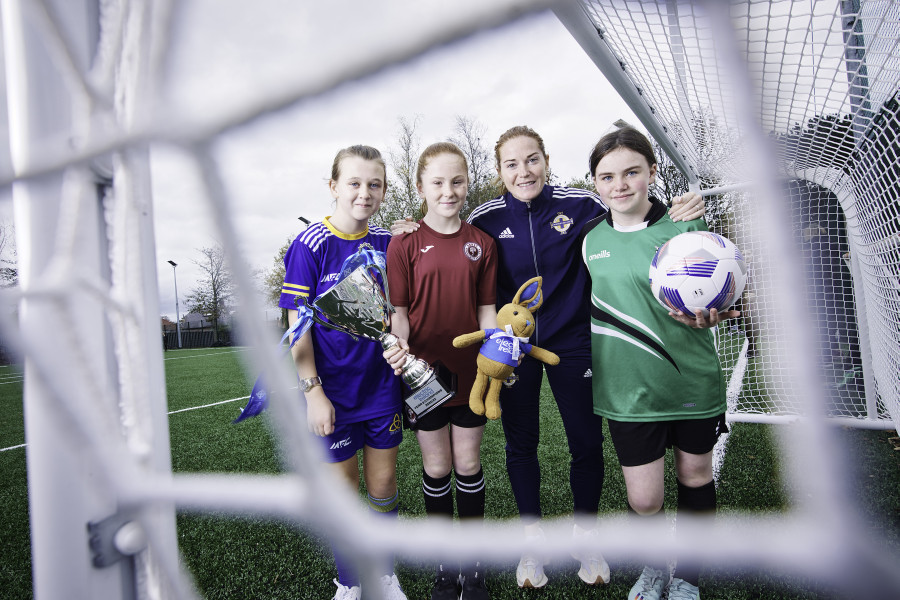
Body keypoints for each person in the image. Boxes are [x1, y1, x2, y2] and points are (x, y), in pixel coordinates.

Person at [395, 125, 705, 589]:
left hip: (574, 343)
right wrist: (404, 226)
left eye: (532, 159)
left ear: (546, 160)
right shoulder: (485, 217)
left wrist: (679, 207)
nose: (524, 171)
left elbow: (633, 213)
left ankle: (585, 535)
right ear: (499, 171)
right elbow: (443, 234)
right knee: (522, 445)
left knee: (585, 441)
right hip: (512, 350)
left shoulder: (581, 204)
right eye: (512, 164)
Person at [581, 126, 737, 600]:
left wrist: (715, 314)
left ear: (652, 172)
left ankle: (689, 575)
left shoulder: (687, 229)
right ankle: (652, 569)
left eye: (631, 172)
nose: (620, 184)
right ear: (595, 183)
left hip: (690, 381)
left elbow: (725, 295)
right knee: (643, 499)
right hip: (628, 390)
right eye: (607, 176)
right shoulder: (589, 242)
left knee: (695, 478)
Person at [280, 145, 407, 600]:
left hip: (381, 390)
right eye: (354, 182)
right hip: (331, 394)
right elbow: (296, 328)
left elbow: (400, 310)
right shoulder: (311, 244)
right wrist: (313, 392)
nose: (364, 192)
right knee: (344, 490)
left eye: (374, 184)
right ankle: (350, 581)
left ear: (384, 191)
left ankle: (385, 576)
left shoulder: (390, 244)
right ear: (333, 187)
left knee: (384, 485)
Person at [384, 142, 498, 600]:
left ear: (467, 183)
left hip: (470, 373)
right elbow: (400, 313)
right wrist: (400, 346)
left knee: (468, 463)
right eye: (438, 182)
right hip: (422, 375)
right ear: (421, 187)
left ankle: (473, 566)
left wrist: (497, 356)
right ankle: (445, 566)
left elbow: (487, 310)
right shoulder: (403, 243)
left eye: (457, 181)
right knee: (436, 466)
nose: (448, 191)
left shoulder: (482, 243)